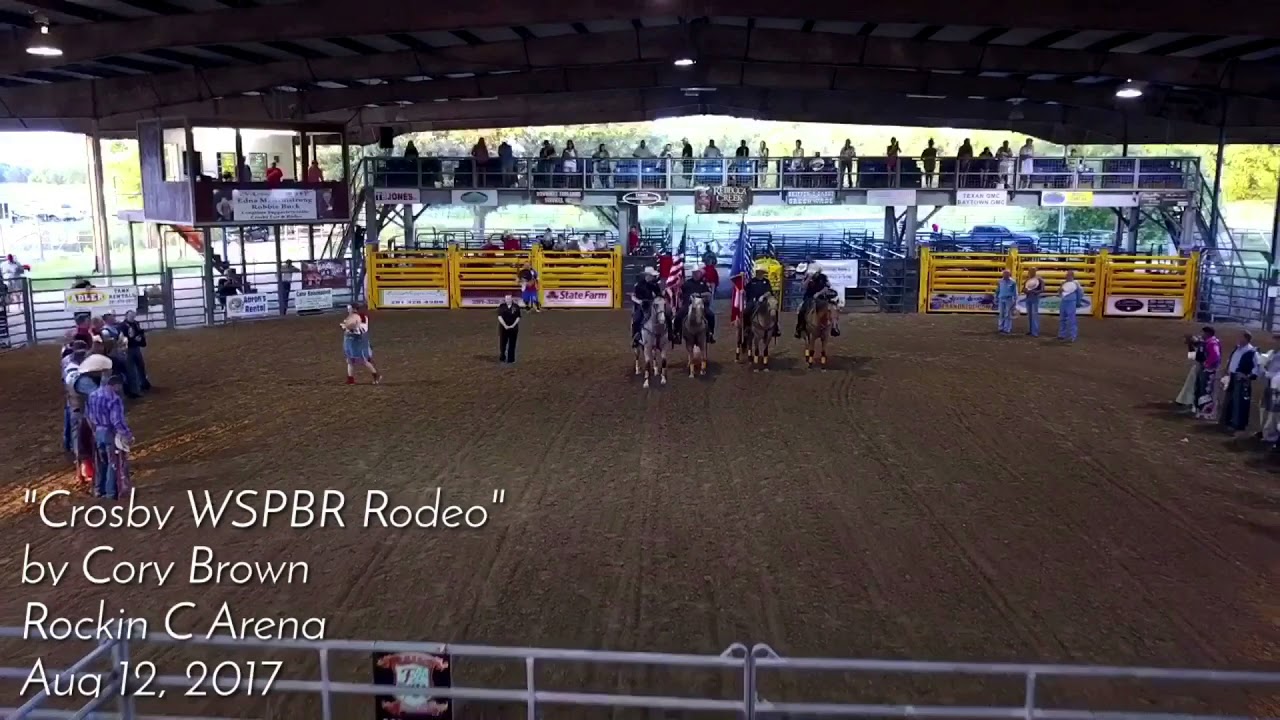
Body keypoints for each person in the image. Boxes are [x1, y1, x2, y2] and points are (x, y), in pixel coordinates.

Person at [86, 373, 134, 500]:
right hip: (109, 432)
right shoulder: (114, 398)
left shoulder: (93, 395)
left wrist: (95, 431)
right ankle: (110, 492)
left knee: (101, 462)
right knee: (113, 463)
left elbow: (89, 416)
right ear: (116, 384)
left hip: (98, 432)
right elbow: (117, 421)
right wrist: (127, 435)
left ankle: (98, 490)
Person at [1220, 331, 1258, 433]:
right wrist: (1227, 368)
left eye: (1240, 337)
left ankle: (1237, 424)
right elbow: (1231, 360)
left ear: (1246, 339)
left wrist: (1247, 376)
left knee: (1239, 401)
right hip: (1232, 376)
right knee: (1229, 399)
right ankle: (1226, 420)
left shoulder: (1252, 352)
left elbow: (1257, 368)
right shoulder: (1237, 348)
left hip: (1241, 380)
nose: (1238, 339)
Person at [795, 263, 839, 338]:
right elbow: (803, 287)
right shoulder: (807, 277)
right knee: (802, 310)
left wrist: (818, 293)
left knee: (832, 309)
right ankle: (800, 327)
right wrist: (809, 279)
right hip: (809, 298)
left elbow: (826, 287)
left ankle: (834, 327)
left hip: (822, 298)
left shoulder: (823, 277)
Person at [676, 269, 715, 344]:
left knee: (711, 315)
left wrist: (700, 295)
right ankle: (677, 333)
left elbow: (709, 294)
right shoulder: (687, 283)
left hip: (701, 304)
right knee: (678, 315)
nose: (696, 275)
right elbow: (681, 293)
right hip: (688, 304)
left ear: (700, 274)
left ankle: (710, 333)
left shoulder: (704, 283)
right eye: (694, 273)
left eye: (697, 273)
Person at [341, 311, 380, 385]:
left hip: (357, 346)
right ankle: (350, 379)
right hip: (350, 345)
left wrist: (348, 328)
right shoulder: (353, 320)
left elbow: (358, 332)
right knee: (350, 361)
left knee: (364, 361)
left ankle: (375, 375)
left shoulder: (361, 327)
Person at [631, 267, 662, 347]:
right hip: (641, 307)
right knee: (636, 319)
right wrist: (639, 301)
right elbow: (633, 297)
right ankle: (636, 337)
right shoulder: (638, 285)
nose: (653, 277)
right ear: (647, 275)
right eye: (652, 276)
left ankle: (667, 334)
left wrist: (658, 298)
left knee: (663, 316)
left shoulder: (654, 285)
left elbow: (659, 295)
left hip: (652, 305)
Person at [121, 310, 151, 395]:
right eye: (131, 316)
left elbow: (140, 332)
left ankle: (143, 383)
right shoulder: (123, 326)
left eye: (133, 316)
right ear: (126, 316)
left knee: (140, 366)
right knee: (132, 370)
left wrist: (140, 337)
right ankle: (135, 389)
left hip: (135, 347)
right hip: (128, 349)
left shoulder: (135, 324)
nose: (132, 318)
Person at [744, 266, 779, 336]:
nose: (759, 273)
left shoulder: (766, 281)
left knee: (774, 309)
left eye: (760, 272)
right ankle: (747, 327)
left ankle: (775, 327)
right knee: (746, 311)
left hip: (765, 300)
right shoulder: (751, 281)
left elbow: (769, 292)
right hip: (753, 300)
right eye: (757, 272)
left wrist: (763, 296)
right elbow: (747, 291)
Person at [1057, 270, 1083, 342]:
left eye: (1068, 275)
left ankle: (1072, 336)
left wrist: (1078, 302)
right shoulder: (1063, 283)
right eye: (1067, 275)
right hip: (1064, 301)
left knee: (1072, 319)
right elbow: (1060, 292)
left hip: (1071, 302)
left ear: (1072, 276)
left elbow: (1080, 293)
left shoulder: (1076, 284)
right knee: (1062, 319)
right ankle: (1062, 334)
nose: (1067, 276)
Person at [498, 294, 521, 363]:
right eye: (506, 299)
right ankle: (502, 356)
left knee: (512, 344)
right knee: (502, 343)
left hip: (513, 329)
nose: (508, 300)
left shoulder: (516, 307)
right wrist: (505, 325)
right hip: (503, 328)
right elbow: (500, 317)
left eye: (509, 298)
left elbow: (518, 317)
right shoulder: (502, 306)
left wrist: (513, 325)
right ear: (505, 299)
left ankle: (511, 359)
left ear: (511, 299)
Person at [1023, 268, 1044, 337]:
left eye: (1032, 271)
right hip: (1028, 297)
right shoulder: (1027, 280)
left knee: (1034, 314)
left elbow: (1042, 289)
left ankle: (1035, 331)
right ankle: (1030, 330)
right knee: (1029, 315)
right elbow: (1023, 289)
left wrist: (1034, 292)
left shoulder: (1039, 280)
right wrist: (1025, 291)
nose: (1030, 273)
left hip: (1034, 297)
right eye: (1030, 271)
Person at [995, 269, 1017, 334]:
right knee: (1001, 314)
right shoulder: (1000, 281)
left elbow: (1015, 292)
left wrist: (1015, 300)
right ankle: (1000, 328)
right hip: (1001, 299)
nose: (1005, 275)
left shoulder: (1013, 282)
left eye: (1007, 274)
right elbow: (997, 290)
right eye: (1004, 274)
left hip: (1009, 299)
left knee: (1008, 314)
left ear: (1009, 274)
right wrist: (996, 297)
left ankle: (1007, 329)